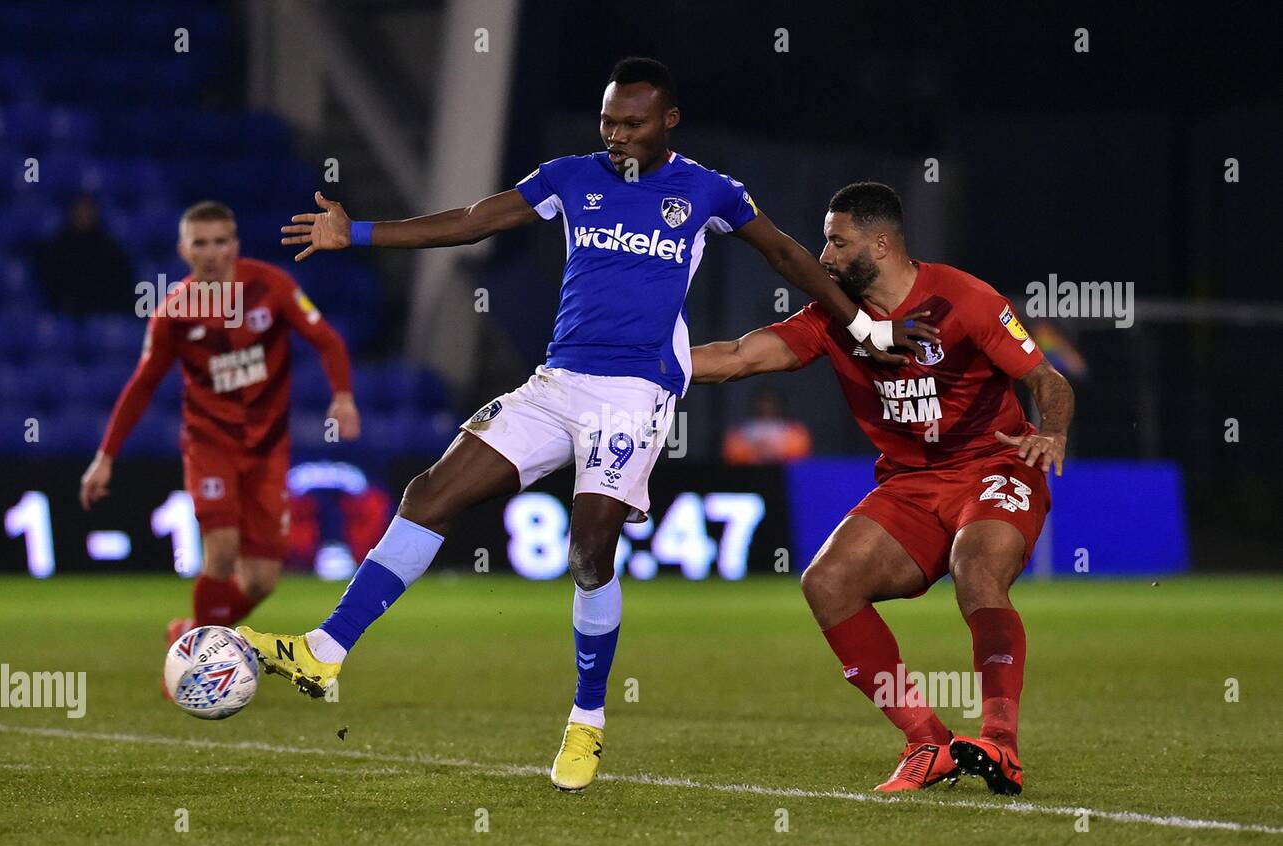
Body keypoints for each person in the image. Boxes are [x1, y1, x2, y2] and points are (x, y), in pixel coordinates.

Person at [240, 58, 936, 793]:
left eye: (632, 124)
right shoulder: (571, 176)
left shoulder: (708, 192)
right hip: (556, 382)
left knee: (588, 553)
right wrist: (362, 233)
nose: (617, 137)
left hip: (633, 394)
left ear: (668, 121)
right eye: (608, 122)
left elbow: (789, 255)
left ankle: (587, 721)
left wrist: (866, 325)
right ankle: (325, 649)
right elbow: (478, 219)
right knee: (428, 493)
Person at [691, 182, 1075, 796]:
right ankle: (928, 740)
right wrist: (645, 364)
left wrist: (1051, 433)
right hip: (910, 485)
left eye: (837, 243)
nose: (824, 257)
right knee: (828, 582)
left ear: (881, 243)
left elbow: (1048, 380)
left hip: (996, 466)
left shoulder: (965, 299)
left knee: (976, 570)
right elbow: (740, 355)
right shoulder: (836, 318)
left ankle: (1000, 745)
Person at [79, 201, 360, 693]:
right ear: (183, 250)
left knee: (262, 580)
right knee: (222, 550)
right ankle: (199, 670)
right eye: (200, 243)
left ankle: (191, 637)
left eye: (220, 241)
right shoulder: (173, 313)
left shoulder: (271, 287)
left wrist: (342, 396)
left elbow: (328, 340)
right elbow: (142, 385)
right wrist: (105, 457)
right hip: (210, 443)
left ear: (235, 244)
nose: (211, 252)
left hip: (268, 448)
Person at [35, 192, 136, 317]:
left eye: (88, 211)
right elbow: (48, 277)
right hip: (66, 306)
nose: (84, 215)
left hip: (102, 305)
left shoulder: (108, 245)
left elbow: (121, 275)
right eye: (80, 211)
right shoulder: (58, 245)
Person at [721, 387, 813, 464]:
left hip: (783, 474)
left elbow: (800, 454)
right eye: (762, 403)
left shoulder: (793, 429)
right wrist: (754, 452)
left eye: (770, 403)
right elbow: (732, 454)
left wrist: (776, 452)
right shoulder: (739, 430)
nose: (766, 407)